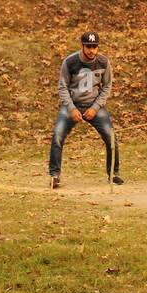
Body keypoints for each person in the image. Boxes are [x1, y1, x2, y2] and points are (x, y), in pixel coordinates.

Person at [49, 31, 121, 189]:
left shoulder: (104, 62)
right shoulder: (70, 62)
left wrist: (95, 108)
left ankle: (113, 174)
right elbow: (62, 87)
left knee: (111, 137)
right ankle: (55, 175)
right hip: (72, 104)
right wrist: (71, 108)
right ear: (82, 46)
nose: (91, 50)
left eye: (94, 47)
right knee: (57, 135)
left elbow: (107, 86)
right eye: (88, 46)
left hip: (94, 104)